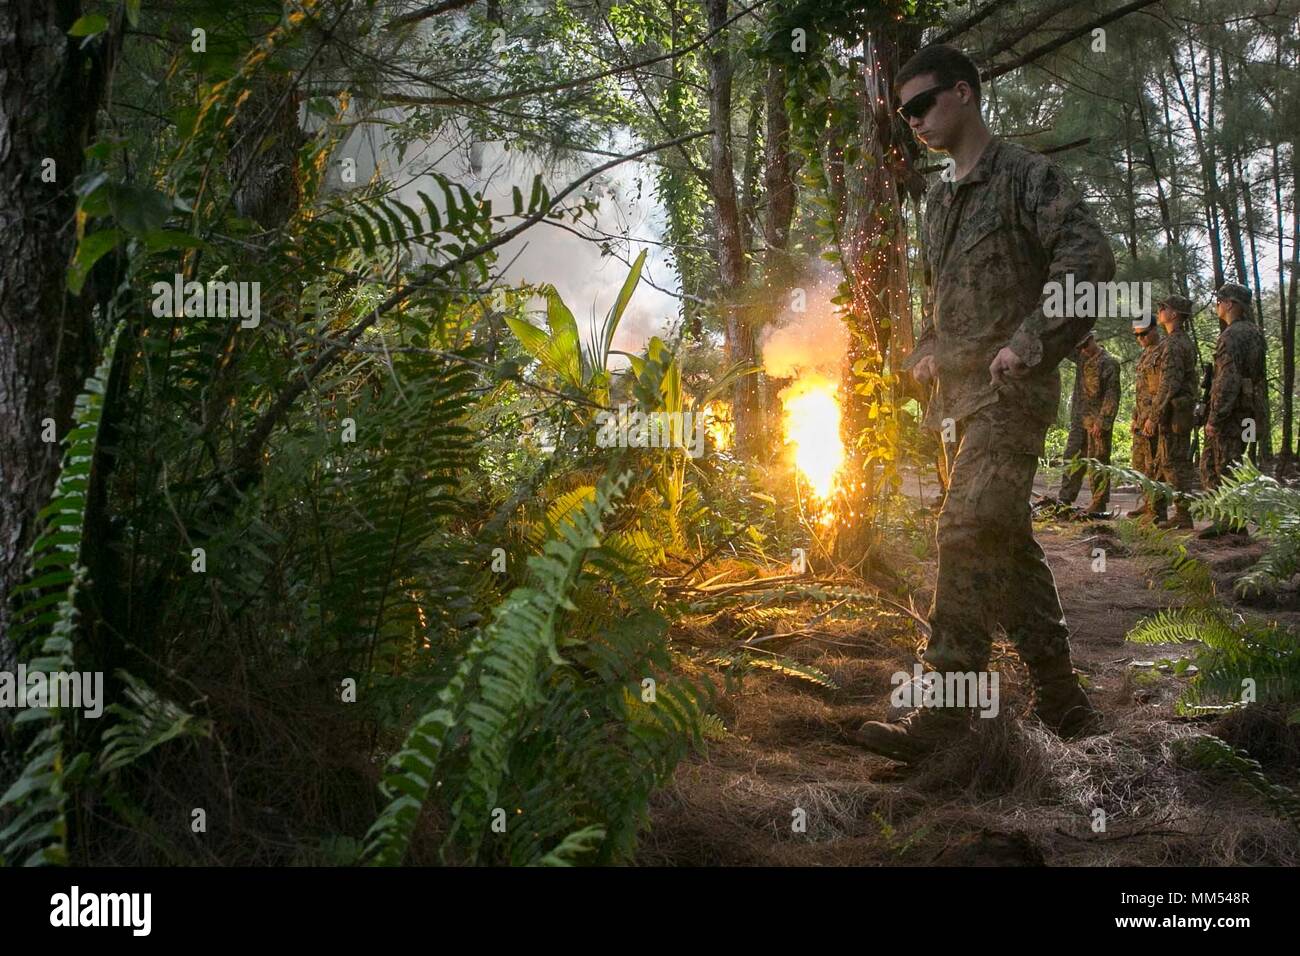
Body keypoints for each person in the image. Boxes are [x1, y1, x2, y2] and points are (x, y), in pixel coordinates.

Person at [851, 44, 1112, 763]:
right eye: (903, 113)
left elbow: (1089, 263)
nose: (913, 122)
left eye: (922, 104)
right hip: (959, 406)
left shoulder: (1028, 177)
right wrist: (926, 350)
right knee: (1006, 542)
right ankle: (1066, 707)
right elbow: (942, 302)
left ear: (963, 93)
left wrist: (1028, 342)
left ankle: (944, 715)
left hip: (1011, 394)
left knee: (964, 529)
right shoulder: (938, 202)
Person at [1200, 282, 1266, 538]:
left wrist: (1215, 417)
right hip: (1250, 413)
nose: (1217, 306)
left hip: (1232, 415)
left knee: (1219, 465)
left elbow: (1227, 380)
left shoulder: (1230, 336)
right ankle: (1234, 522)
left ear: (1229, 304)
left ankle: (1229, 523)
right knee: (1240, 465)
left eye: (1219, 301)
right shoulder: (1255, 333)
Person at [1149, 294, 1199, 530]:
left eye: (1163, 308)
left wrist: (1154, 415)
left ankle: (1182, 515)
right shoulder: (1177, 341)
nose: (1159, 310)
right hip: (1175, 411)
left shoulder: (1175, 343)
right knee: (1166, 461)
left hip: (1174, 413)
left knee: (1174, 463)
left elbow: (1169, 383)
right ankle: (1162, 512)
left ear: (1175, 314)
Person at [1055, 334, 1120, 513]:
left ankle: (1099, 503)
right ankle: (1065, 499)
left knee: (1098, 460)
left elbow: (1112, 396)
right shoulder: (1081, 357)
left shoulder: (1109, 363)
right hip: (1079, 419)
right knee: (1072, 456)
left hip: (1098, 422)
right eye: (1080, 347)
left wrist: (1103, 420)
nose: (1083, 349)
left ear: (1093, 339)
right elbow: (1061, 344)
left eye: (1085, 345)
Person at [1129, 319, 1165, 522]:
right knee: (1139, 465)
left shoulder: (1162, 353)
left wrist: (1153, 418)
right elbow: (1140, 391)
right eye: (1136, 335)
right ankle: (1147, 503)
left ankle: (1157, 510)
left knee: (1154, 465)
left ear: (1154, 329)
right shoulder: (1145, 355)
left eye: (1143, 334)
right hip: (1141, 418)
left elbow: (1161, 390)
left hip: (1153, 419)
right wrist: (1135, 417)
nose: (1140, 339)